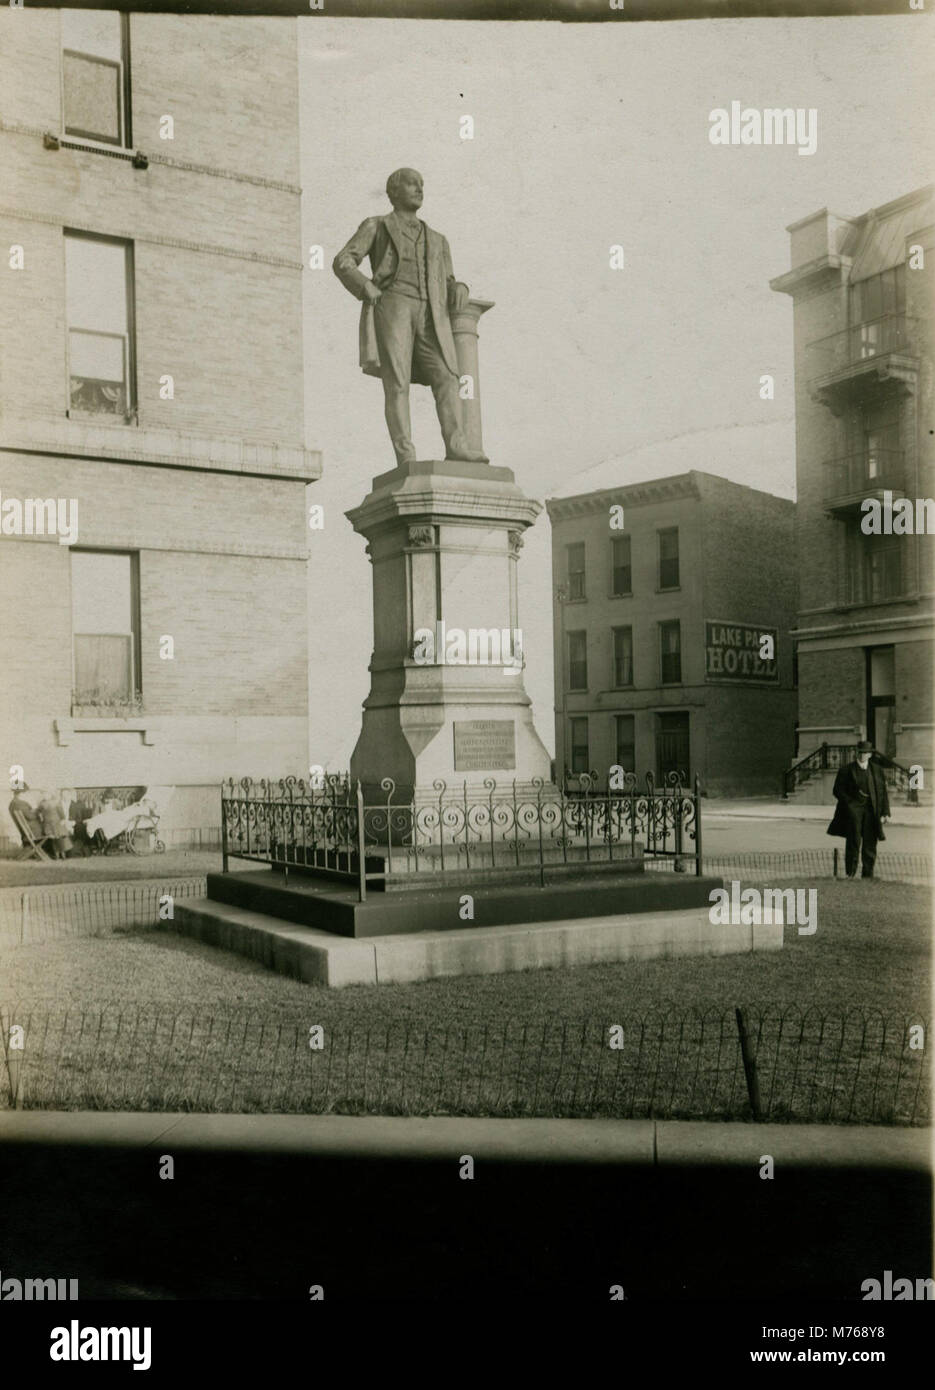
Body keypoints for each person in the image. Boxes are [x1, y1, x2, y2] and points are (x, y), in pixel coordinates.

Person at [333, 168, 488, 467]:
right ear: (393, 192)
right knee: (397, 382)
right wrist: (365, 285)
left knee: (446, 376)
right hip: (394, 305)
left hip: (431, 312)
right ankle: (406, 456)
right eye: (412, 183)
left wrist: (460, 287)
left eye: (422, 184)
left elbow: (449, 279)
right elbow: (344, 260)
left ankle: (457, 447)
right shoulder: (376, 226)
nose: (419, 189)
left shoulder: (438, 240)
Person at [827, 741, 890, 879]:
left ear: (870, 754)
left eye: (865, 753)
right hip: (853, 810)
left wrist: (885, 812)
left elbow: (883, 792)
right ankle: (851, 873)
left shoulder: (876, 770)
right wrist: (849, 803)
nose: (862, 755)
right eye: (860, 752)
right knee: (853, 841)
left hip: (871, 810)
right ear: (857, 753)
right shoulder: (846, 770)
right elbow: (837, 790)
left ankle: (868, 875)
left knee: (870, 842)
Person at [38, 791, 74, 860]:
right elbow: (39, 812)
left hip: (56, 823)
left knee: (59, 839)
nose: (44, 796)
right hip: (49, 825)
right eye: (43, 794)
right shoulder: (42, 804)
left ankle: (62, 855)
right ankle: (58, 855)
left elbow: (61, 813)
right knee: (56, 839)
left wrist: (63, 819)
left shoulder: (55, 803)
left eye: (46, 794)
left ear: (50, 795)